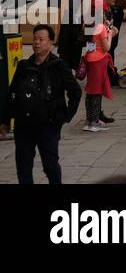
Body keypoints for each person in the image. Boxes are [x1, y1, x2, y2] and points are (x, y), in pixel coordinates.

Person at [2, 25, 81, 184]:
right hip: (23, 125)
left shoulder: (59, 67)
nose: (36, 43)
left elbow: (75, 91)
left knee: (50, 166)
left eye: (41, 39)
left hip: (48, 125)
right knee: (23, 166)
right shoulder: (24, 66)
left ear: (51, 43)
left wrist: (65, 116)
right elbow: (12, 93)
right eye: (35, 39)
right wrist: (5, 120)